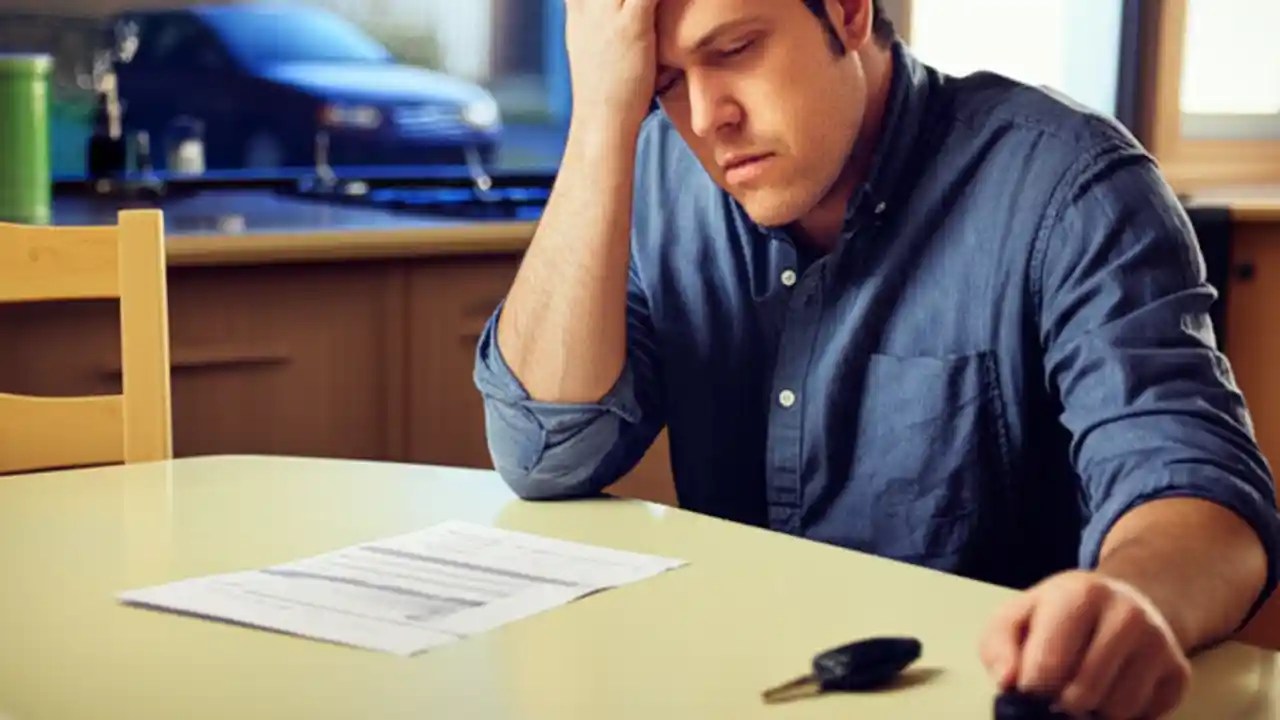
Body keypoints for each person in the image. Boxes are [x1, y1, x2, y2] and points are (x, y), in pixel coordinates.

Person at [473, 0, 1280, 716]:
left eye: (736, 49)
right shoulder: (657, 168)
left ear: (849, 12)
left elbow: (1197, 492)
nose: (707, 117)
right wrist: (599, 121)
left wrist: (1131, 598)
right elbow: (546, 449)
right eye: (666, 83)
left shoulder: (1069, 187)